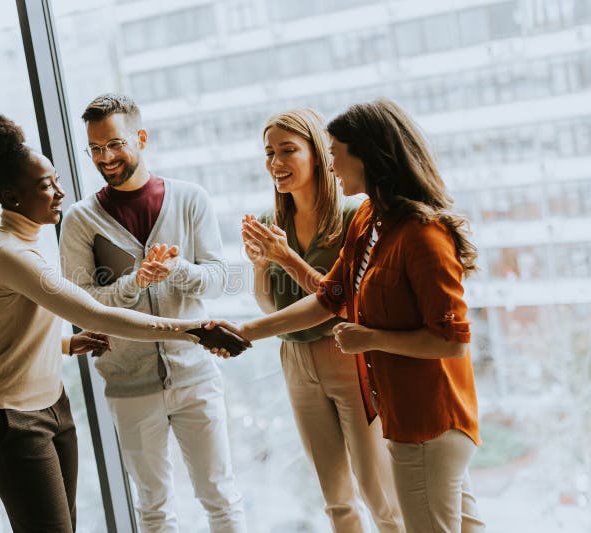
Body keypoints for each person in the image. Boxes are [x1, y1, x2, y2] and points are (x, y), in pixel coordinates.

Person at [209, 98, 485, 533]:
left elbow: (453, 341)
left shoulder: (422, 235)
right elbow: (330, 296)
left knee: (405, 513)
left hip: (431, 417)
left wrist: (370, 339)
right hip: (400, 410)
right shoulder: (372, 220)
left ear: (368, 155)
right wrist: (243, 331)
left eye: (335, 152)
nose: (332, 164)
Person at [0, 114, 246, 533]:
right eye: (46, 185)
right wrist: (192, 330)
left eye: (57, 180)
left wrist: (63, 345)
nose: (59, 192)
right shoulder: (11, 254)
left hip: (51, 405)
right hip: (9, 414)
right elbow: (93, 313)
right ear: (11, 195)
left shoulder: (28, 242)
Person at [60, 93, 246, 533]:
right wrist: (136, 283)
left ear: (140, 137)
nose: (105, 157)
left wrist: (174, 270)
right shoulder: (80, 221)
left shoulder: (189, 198)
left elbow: (219, 278)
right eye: (95, 149)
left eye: (116, 144)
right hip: (129, 387)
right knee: (154, 509)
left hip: (196, 374)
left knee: (220, 496)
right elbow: (82, 307)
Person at [241, 107, 403, 532]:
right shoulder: (270, 222)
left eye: (287, 150)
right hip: (295, 361)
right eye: (269, 152)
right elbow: (270, 308)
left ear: (318, 154)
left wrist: (285, 257)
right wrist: (261, 265)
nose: (275, 163)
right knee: (335, 497)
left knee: (377, 490)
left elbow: (346, 303)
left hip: (347, 357)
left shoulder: (354, 218)